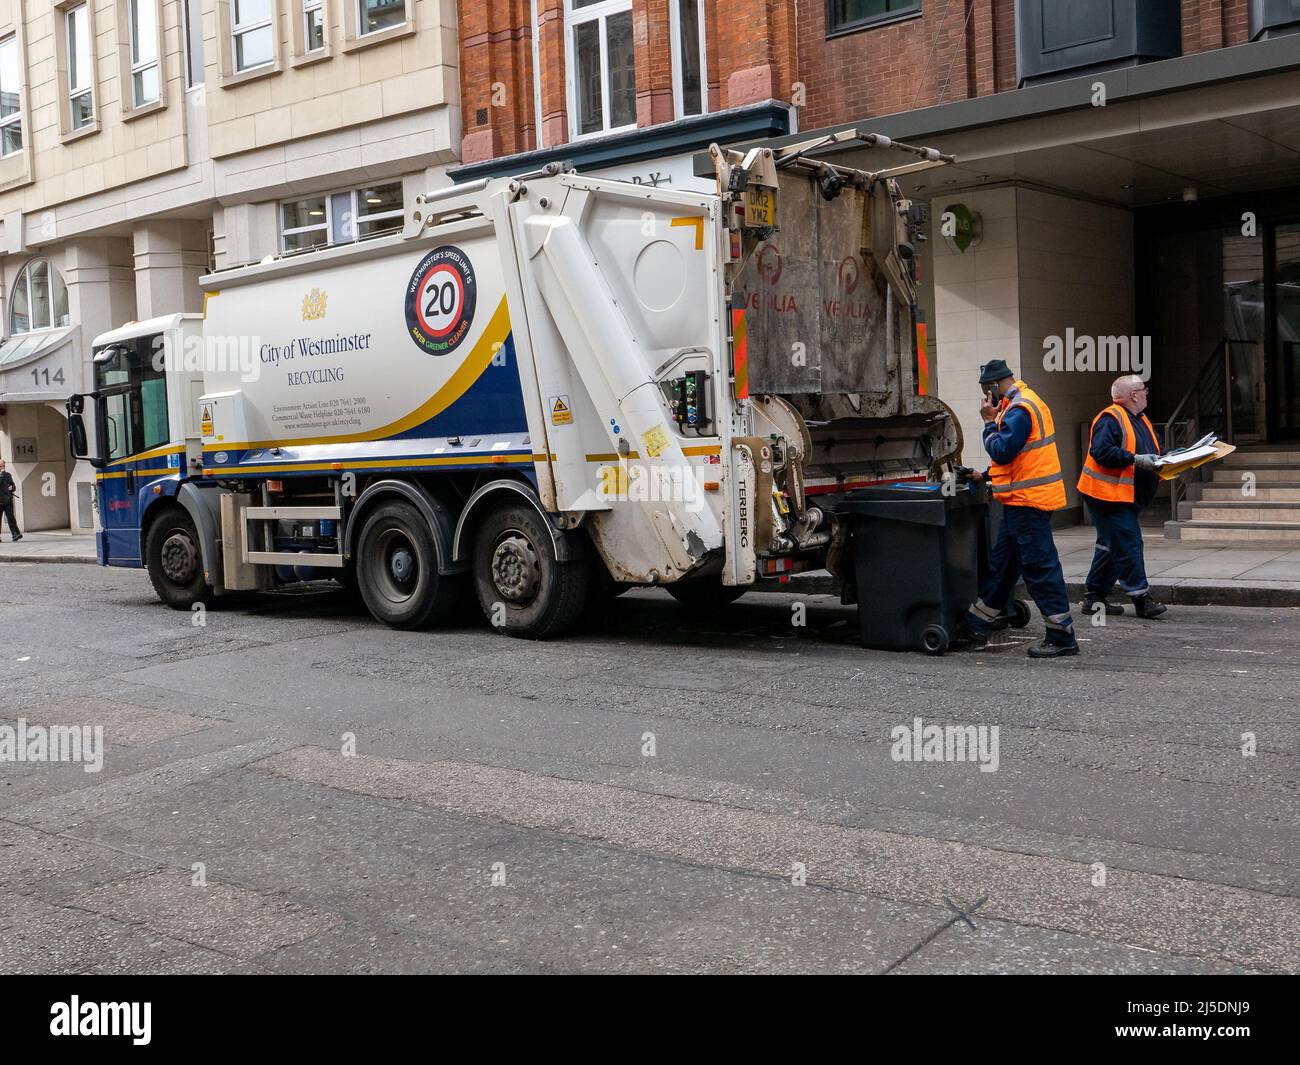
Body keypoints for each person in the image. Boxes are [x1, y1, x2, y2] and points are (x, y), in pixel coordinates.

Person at [959, 360, 1078, 658]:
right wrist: (984, 476)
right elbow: (1015, 459)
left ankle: (1061, 636)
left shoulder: (1019, 409)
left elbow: (1002, 448)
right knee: (1004, 564)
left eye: (986, 392)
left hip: (1028, 502)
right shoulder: (1023, 402)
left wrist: (987, 422)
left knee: (1039, 567)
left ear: (992, 387)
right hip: (1021, 501)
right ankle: (978, 621)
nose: (987, 399)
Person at [1077, 374, 1166, 619]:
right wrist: (1136, 460)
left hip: (1121, 495)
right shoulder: (1111, 418)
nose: (1147, 392)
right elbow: (1101, 452)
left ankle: (1094, 597)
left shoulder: (1140, 419)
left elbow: (1155, 449)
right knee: (1128, 543)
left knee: (1110, 544)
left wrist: (1174, 457)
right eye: (1143, 389)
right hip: (1107, 495)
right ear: (1133, 395)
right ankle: (1141, 599)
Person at [0, 459, 20, 542]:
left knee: (11, 518)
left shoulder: (8, 475)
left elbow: (12, 484)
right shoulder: (3, 474)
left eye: (3, 466)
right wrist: (1, 474)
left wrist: (12, 487)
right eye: (1, 466)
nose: (2, 467)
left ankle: (15, 534)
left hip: (7, 500)